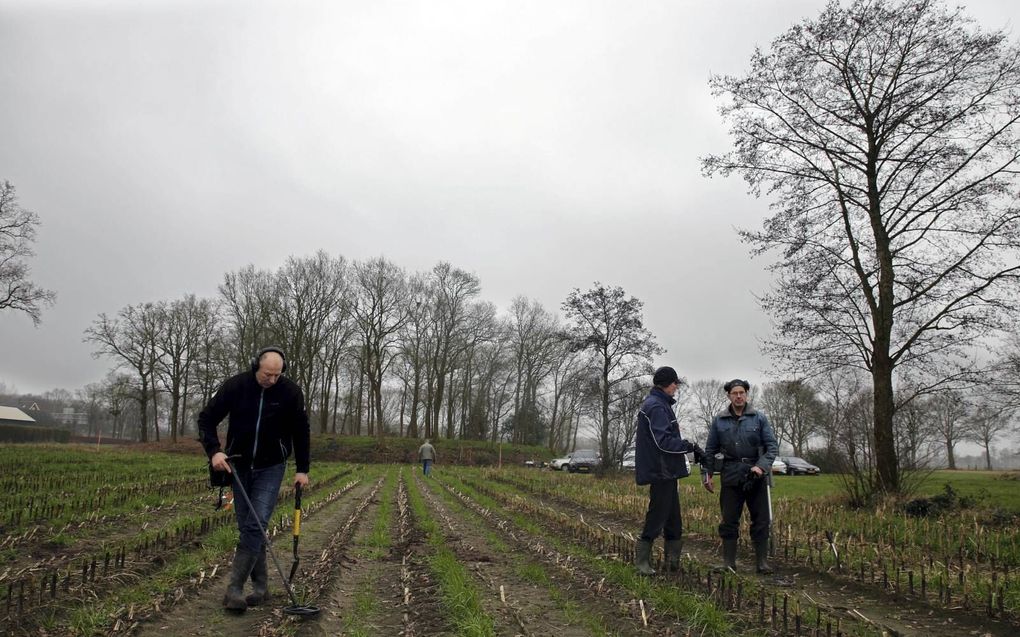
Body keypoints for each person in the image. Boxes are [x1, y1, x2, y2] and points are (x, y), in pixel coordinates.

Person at [199, 346, 311, 612]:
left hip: (272, 466)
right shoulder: (236, 386)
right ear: (255, 367)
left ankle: (234, 589)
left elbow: (301, 431)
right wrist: (215, 451)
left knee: (256, 522)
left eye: (277, 375)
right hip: (237, 465)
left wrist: (302, 469)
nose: (271, 380)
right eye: (267, 374)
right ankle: (261, 587)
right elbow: (206, 418)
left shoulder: (291, 393)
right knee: (249, 526)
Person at [702, 378, 779, 574]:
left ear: (746, 394)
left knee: (761, 520)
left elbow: (772, 447)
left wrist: (761, 467)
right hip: (730, 475)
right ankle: (729, 563)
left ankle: (761, 563)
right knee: (729, 520)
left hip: (755, 476)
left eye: (742, 393)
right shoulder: (719, 421)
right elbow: (710, 450)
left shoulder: (759, 418)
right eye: (734, 393)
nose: (738, 396)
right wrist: (707, 474)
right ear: (729, 396)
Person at [633, 366, 704, 576]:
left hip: (668, 471)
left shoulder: (661, 404)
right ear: (666, 384)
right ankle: (641, 562)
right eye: (674, 383)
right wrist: (687, 446)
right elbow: (662, 442)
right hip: (660, 470)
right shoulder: (656, 406)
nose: (676, 387)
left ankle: (673, 563)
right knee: (657, 515)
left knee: (673, 518)